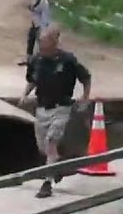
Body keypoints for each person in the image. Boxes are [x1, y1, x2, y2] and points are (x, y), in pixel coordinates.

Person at [19, 25, 92, 199]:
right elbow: (33, 80)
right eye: (40, 44)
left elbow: (85, 77)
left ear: (55, 43)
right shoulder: (37, 60)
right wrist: (24, 94)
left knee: (51, 142)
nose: (42, 48)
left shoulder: (68, 60)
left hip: (61, 107)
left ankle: (47, 184)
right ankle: (56, 166)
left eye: (45, 44)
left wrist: (85, 96)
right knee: (43, 148)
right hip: (42, 107)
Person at [18, 0, 52, 66]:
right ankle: (29, 60)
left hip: (41, 26)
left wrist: (45, 27)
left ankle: (39, 61)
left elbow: (39, 10)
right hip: (34, 25)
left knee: (39, 45)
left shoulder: (43, 1)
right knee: (30, 42)